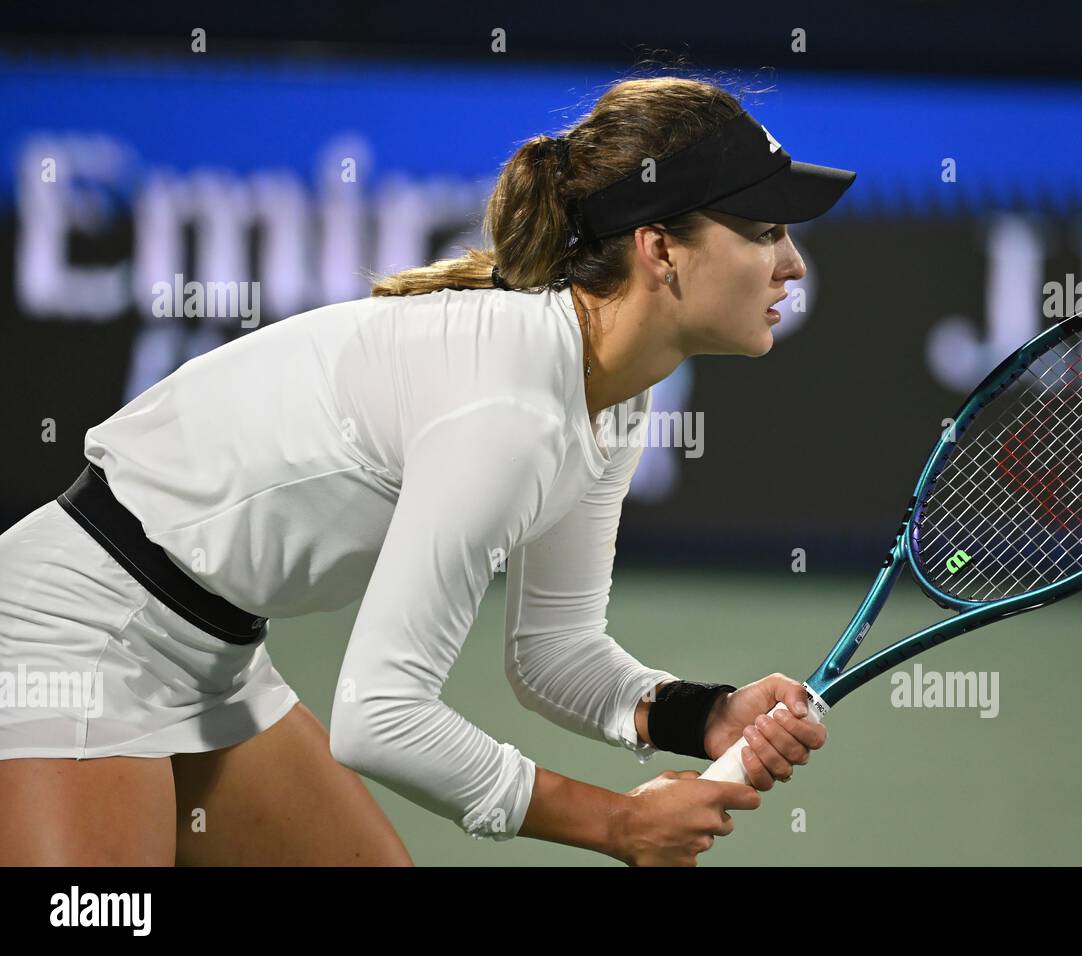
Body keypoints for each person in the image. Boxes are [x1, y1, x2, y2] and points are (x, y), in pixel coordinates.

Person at [0, 75, 856, 867]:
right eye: (764, 232)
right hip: (74, 632)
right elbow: (378, 720)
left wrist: (703, 715)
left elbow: (554, 650)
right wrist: (617, 822)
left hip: (216, 653)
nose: (792, 265)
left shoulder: (613, 392)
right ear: (659, 248)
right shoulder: (511, 410)